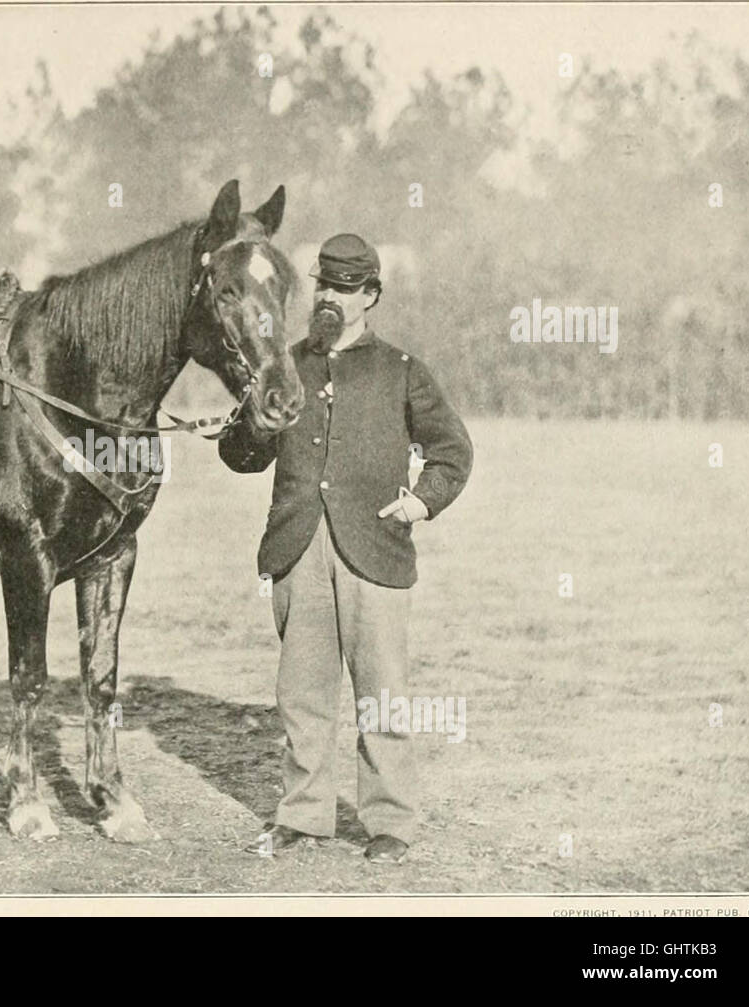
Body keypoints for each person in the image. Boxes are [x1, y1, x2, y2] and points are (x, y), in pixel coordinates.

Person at [220, 233, 473, 864]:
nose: (329, 296)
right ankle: (303, 817)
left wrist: (420, 502)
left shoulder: (402, 370)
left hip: (376, 552)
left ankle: (389, 823)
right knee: (302, 696)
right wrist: (255, 421)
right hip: (298, 547)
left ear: (371, 297)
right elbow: (238, 455)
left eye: (345, 287)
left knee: (381, 694)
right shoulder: (286, 362)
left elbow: (452, 451)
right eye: (323, 284)